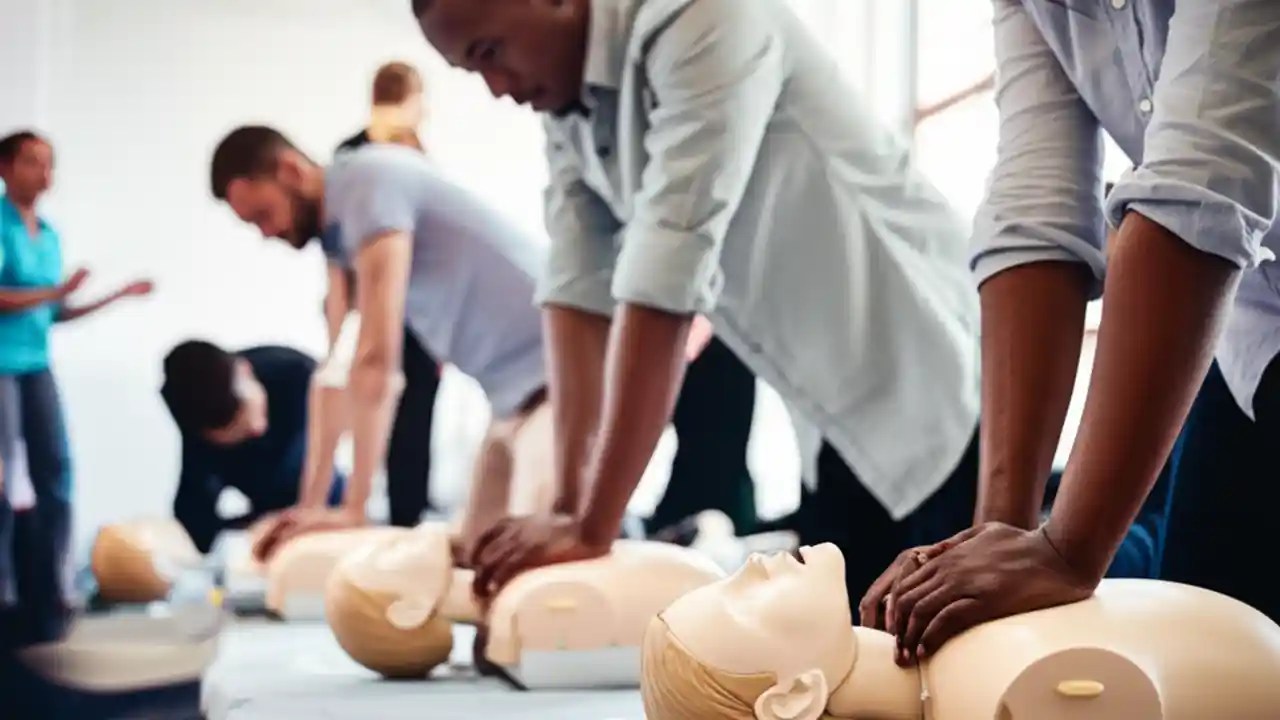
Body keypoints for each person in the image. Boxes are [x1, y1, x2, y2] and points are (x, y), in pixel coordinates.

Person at [412, 0, 982, 607]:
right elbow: (577, 290)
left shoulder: (703, 16)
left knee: (945, 667)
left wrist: (590, 527)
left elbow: (667, 271)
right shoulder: (570, 105)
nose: (497, 89)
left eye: (491, 54)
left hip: (933, 383)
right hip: (830, 416)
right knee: (848, 654)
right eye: (472, 72)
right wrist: (566, 507)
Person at [858, 0, 1280, 664]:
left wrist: (1067, 550)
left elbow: (1203, 170)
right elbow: (1038, 200)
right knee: (1207, 655)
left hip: (1225, 276)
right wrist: (999, 532)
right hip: (1251, 323)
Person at [207, 125, 555, 562]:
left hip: (565, 375)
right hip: (514, 399)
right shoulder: (339, 234)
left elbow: (377, 360)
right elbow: (334, 374)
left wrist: (354, 511)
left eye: (263, 214)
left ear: (290, 170)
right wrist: (312, 507)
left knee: (526, 557)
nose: (266, 232)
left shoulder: (368, 184)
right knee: (472, 555)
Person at [0, 129, 152, 649]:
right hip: (2, 365)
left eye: (49, 164)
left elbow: (55, 312)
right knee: (3, 483)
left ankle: (55, 587)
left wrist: (114, 296)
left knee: (56, 476)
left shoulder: (51, 232)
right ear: (5, 168)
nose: (44, 174)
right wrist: (56, 290)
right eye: (32, 163)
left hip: (37, 363)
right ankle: (5, 593)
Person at [331, 61, 443, 528]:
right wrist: (339, 335)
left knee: (414, 423)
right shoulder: (352, 158)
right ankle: (357, 510)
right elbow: (338, 261)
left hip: (417, 317)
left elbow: (432, 255)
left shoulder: (418, 154)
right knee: (367, 410)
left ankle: (404, 521)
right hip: (373, 311)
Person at [159, 340, 346, 553]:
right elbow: (195, 529)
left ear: (245, 370)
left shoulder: (298, 373)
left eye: (254, 413)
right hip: (261, 514)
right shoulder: (197, 424)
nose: (258, 429)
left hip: (324, 497)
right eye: (240, 433)